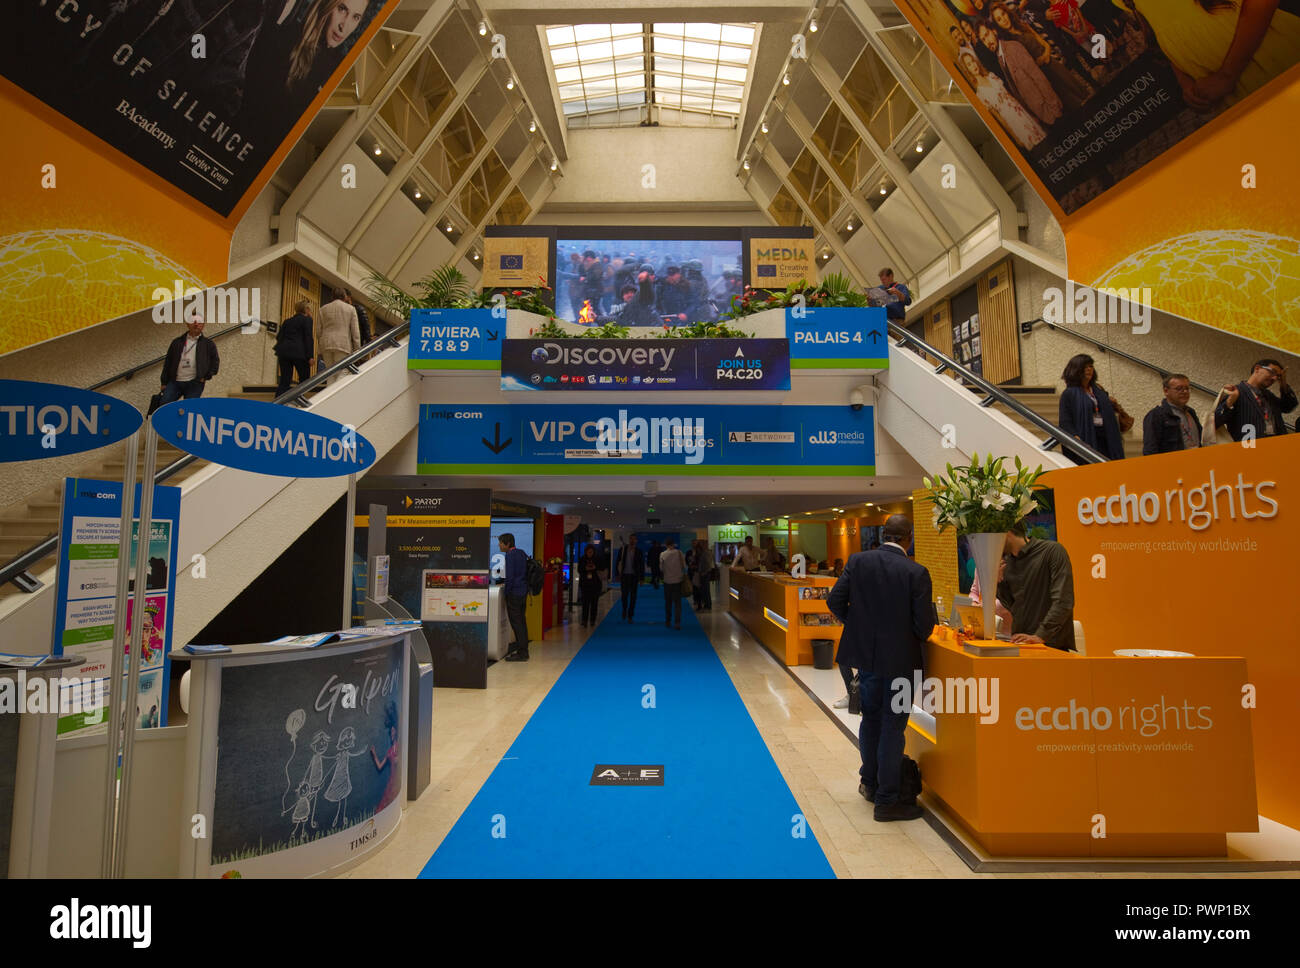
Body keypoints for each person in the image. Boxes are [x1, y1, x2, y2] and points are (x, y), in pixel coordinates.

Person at [827, 515, 933, 822]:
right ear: (907, 539)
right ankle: (888, 800)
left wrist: (860, 627)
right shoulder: (916, 572)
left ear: (884, 535)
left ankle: (869, 784)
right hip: (900, 664)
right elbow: (924, 627)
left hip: (868, 661)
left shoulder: (858, 562)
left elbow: (835, 602)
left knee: (871, 719)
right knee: (892, 726)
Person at [235, 0, 374, 149]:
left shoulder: (336, 72)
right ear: (327, 5)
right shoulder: (283, 40)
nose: (344, 26)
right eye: (342, 9)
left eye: (355, 17)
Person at [996, 522, 1076, 651]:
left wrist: (1040, 636)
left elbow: (1063, 601)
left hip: (1052, 648)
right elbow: (1013, 606)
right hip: (1020, 644)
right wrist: (998, 582)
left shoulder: (1052, 551)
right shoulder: (1007, 563)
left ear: (1007, 533)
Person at [958, 49, 1050, 150]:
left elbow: (1012, 96)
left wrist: (1030, 113)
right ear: (967, 69)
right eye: (969, 64)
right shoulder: (980, 95)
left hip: (1021, 113)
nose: (973, 65)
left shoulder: (992, 76)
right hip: (1012, 122)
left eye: (973, 61)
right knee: (1036, 148)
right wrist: (1015, 137)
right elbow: (998, 118)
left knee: (1044, 141)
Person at [977, 19, 1063, 125]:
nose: (988, 41)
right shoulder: (1000, 58)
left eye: (987, 34)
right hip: (1040, 116)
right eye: (984, 39)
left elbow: (1039, 77)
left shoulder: (1013, 47)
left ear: (994, 31)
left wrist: (1055, 109)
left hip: (1052, 111)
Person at [1058, 353, 1126, 462]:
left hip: (1106, 439)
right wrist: (1076, 439)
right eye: (1085, 367)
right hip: (1086, 440)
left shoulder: (1098, 391)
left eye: (1090, 366)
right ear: (1076, 370)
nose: (1089, 369)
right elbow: (1065, 422)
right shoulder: (1069, 394)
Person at [1215, 359, 1296, 441]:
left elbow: (1288, 407)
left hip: (1277, 446)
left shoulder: (1268, 395)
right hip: (1249, 447)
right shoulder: (1236, 392)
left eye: (1278, 376)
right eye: (1272, 372)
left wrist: (1283, 383)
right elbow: (1216, 421)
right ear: (1257, 369)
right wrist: (1230, 401)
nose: (1275, 378)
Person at [160, 318, 221, 404]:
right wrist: (164, 382)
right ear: (187, 324)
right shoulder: (177, 342)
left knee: (189, 409)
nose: (196, 324)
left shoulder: (208, 344)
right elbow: (168, 362)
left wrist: (205, 377)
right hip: (175, 382)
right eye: (193, 321)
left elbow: (215, 363)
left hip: (195, 383)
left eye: (199, 322)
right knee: (164, 404)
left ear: (203, 325)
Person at [1142, 373, 1203, 454]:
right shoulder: (1156, 415)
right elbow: (1150, 450)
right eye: (1179, 388)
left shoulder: (1191, 412)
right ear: (1166, 391)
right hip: (1173, 464)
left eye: (1187, 388)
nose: (1184, 392)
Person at [316, 288, 360, 383]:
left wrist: (320, 345)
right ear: (344, 296)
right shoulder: (350, 309)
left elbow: (318, 331)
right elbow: (355, 331)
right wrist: (357, 349)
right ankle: (335, 393)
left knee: (330, 373)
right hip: (343, 344)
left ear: (332, 296)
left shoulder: (323, 309)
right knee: (344, 370)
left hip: (326, 344)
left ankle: (329, 395)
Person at [498, 533, 530, 661]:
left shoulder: (510, 555)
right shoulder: (522, 553)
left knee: (516, 624)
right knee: (522, 622)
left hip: (514, 594)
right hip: (523, 591)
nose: (499, 545)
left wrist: (506, 593)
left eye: (501, 543)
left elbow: (510, 577)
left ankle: (522, 653)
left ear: (508, 544)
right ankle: (524, 650)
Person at [274, 298, 315, 397]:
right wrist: (310, 356)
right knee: (304, 379)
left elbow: (279, 337)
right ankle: (298, 400)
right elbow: (308, 338)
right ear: (306, 310)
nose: (311, 312)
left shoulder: (287, 321)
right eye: (310, 310)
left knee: (285, 380)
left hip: (284, 352)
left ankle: (277, 403)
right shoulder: (307, 320)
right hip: (300, 353)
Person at [659, 539, 687, 630]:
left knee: (668, 602)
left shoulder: (662, 554)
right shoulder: (679, 553)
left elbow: (661, 569)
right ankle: (677, 623)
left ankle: (668, 621)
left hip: (667, 581)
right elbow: (684, 566)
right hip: (678, 581)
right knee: (677, 603)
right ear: (673, 544)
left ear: (666, 545)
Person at [618, 534, 644, 621]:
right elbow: (618, 562)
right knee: (624, 596)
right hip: (624, 576)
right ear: (629, 540)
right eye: (631, 539)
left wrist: (641, 578)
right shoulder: (623, 550)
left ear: (636, 541)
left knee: (633, 596)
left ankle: (630, 614)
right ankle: (624, 610)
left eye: (634, 539)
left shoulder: (639, 551)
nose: (632, 540)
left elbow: (642, 565)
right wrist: (617, 575)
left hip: (634, 576)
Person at [578, 545, 603, 628]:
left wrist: (595, 568)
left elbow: (602, 569)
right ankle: (584, 620)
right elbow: (579, 569)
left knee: (594, 603)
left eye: (591, 552)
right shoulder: (582, 559)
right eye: (588, 552)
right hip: (585, 585)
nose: (590, 553)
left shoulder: (598, 559)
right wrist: (586, 568)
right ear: (586, 552)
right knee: (585, 603)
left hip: (595, 585)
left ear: (593, 552)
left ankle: (592, 620)